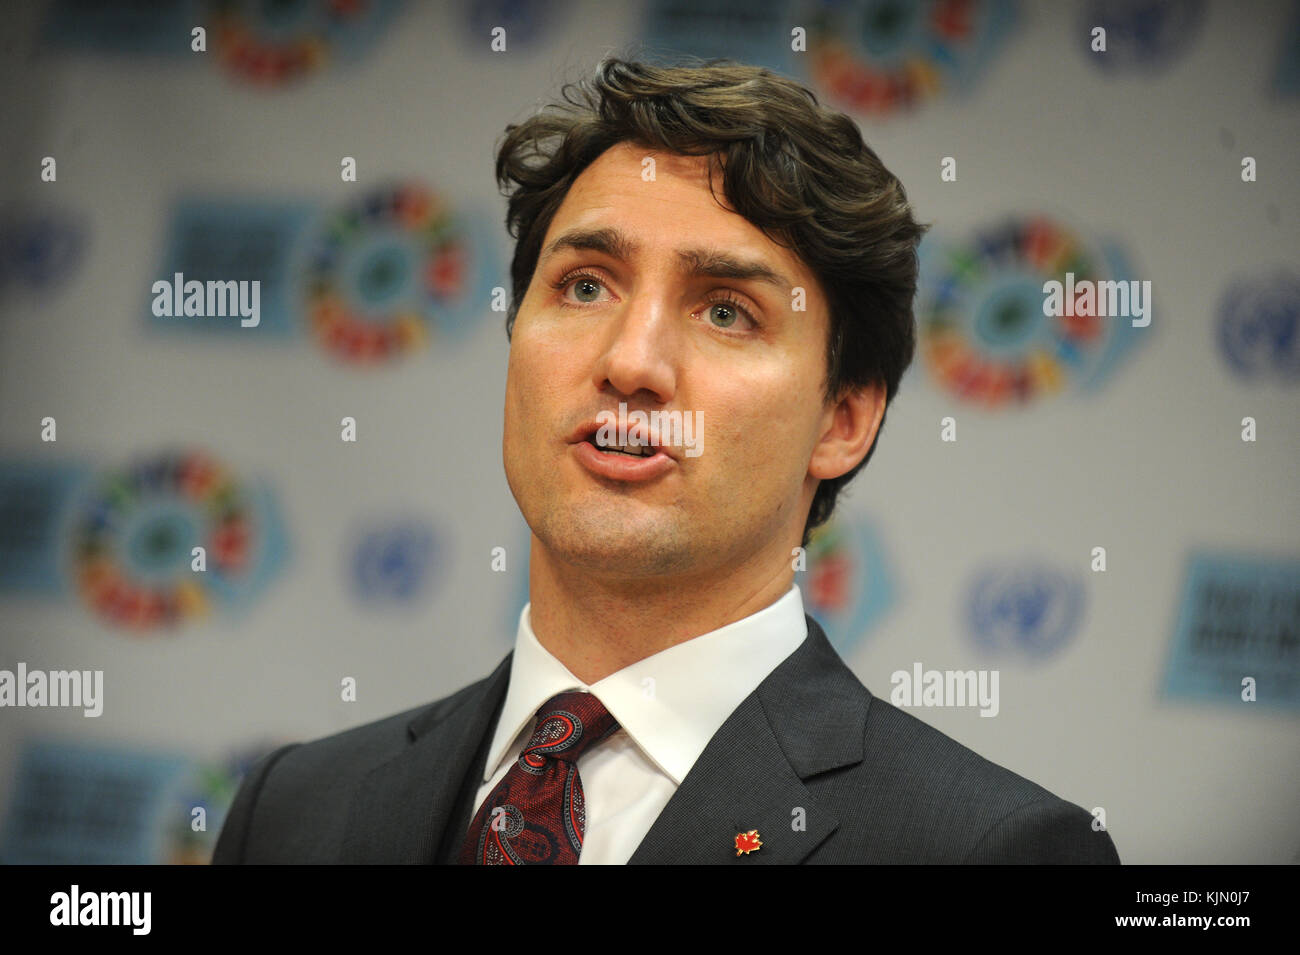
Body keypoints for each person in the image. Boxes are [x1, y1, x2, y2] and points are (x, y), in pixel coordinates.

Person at [213, 56, 1120, 865]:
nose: (631, 361)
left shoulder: (991, 850)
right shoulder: (293, 810)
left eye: (726, 309)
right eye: (584, 285)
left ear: (842, 419)